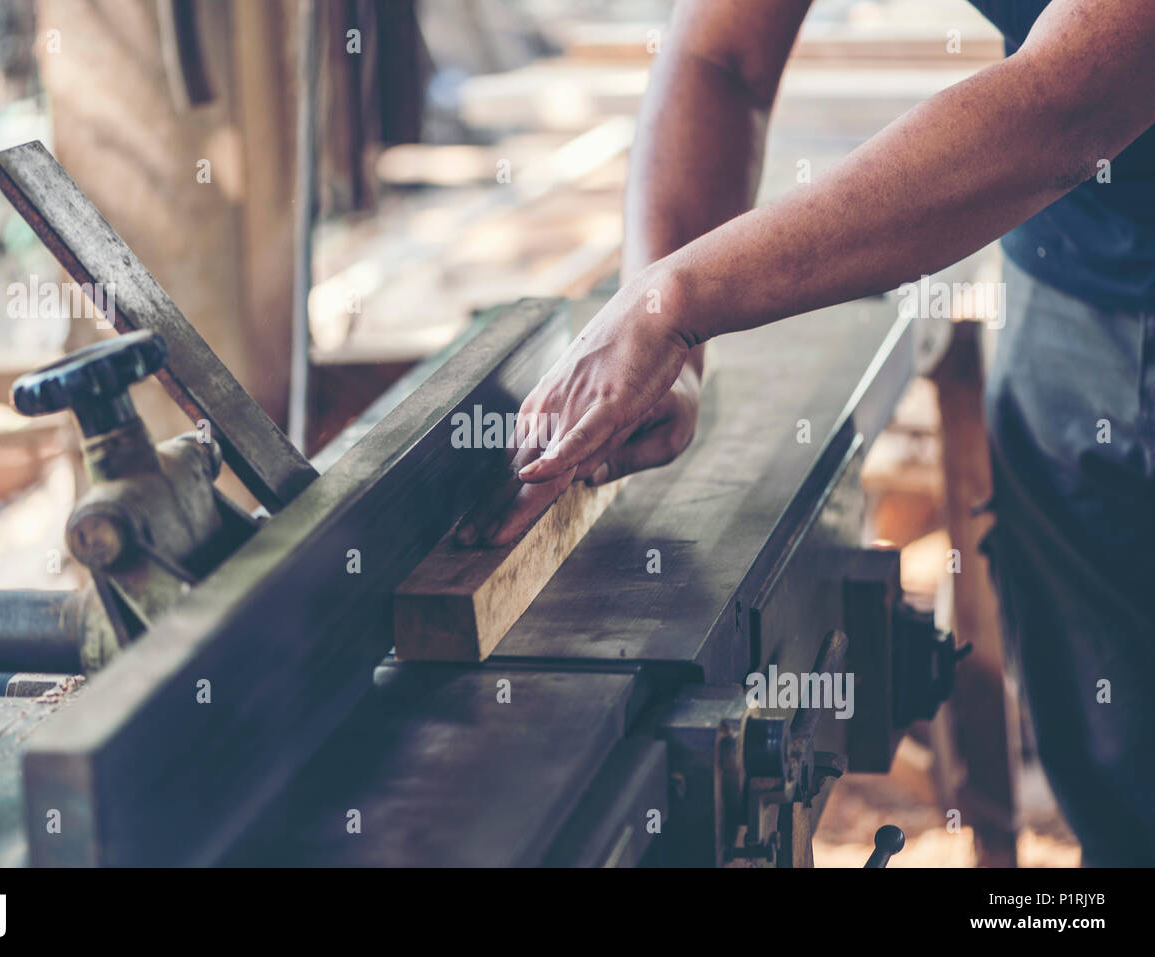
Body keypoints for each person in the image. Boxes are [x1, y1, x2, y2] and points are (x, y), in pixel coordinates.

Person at [454, 0, 1155, 866]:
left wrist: (676, 302)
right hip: (1071, 283)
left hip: (1071, 156)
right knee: (1114, 765)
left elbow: (1074, 101)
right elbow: (722, 58)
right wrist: (669, 346)